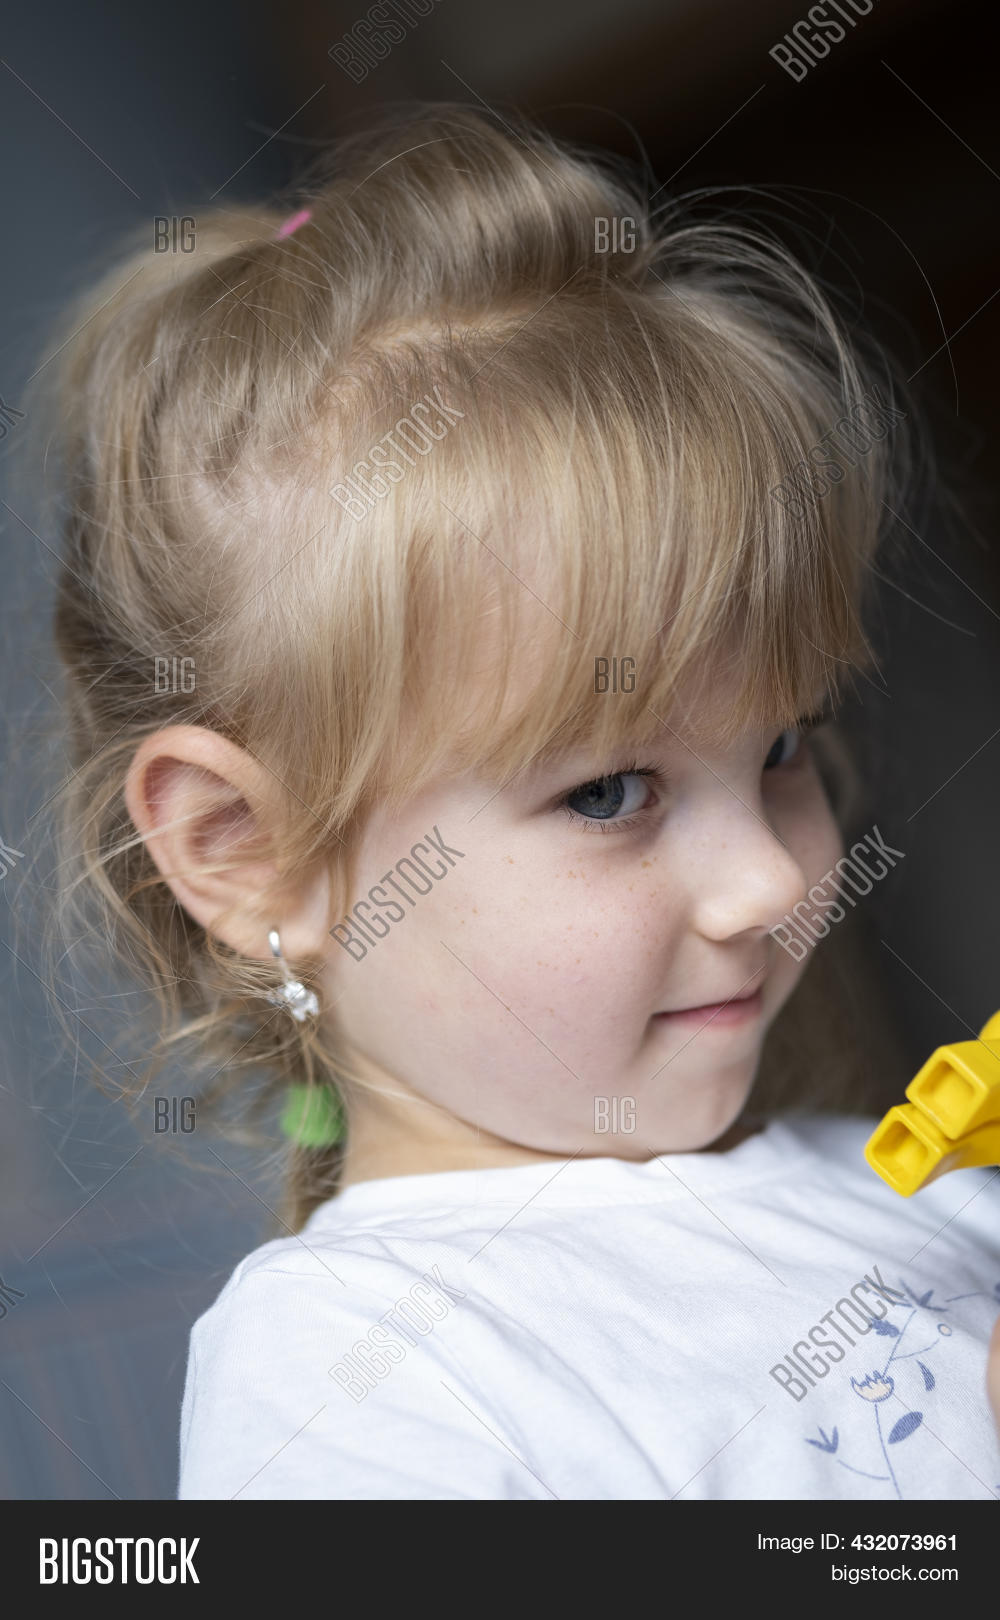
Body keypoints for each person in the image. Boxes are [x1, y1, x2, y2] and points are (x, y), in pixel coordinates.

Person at [30, 103, 1000, 1499]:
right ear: (244, 853)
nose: (778, 883)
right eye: (611, 791)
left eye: (783, 743)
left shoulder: (923, 1198)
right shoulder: (350, 1374)